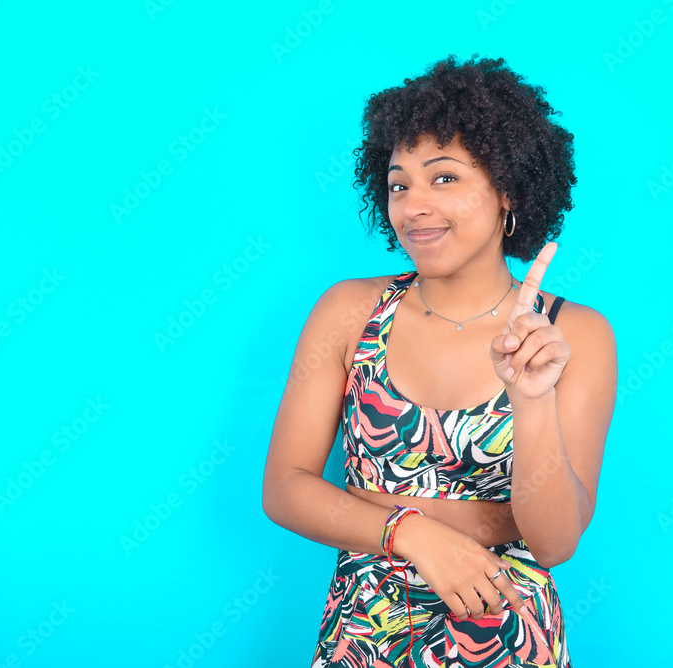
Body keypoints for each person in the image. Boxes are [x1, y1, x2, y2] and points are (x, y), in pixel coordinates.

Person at [262, 54, 617, 667]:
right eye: (400, 183)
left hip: (506, 639)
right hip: (365, 635)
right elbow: (285, 490)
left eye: (444, 178)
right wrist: (413, 532)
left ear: (508, 190)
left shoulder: (572, 335)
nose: (413, 206)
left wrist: (532, 399)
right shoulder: (350, 312)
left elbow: (554, 540)